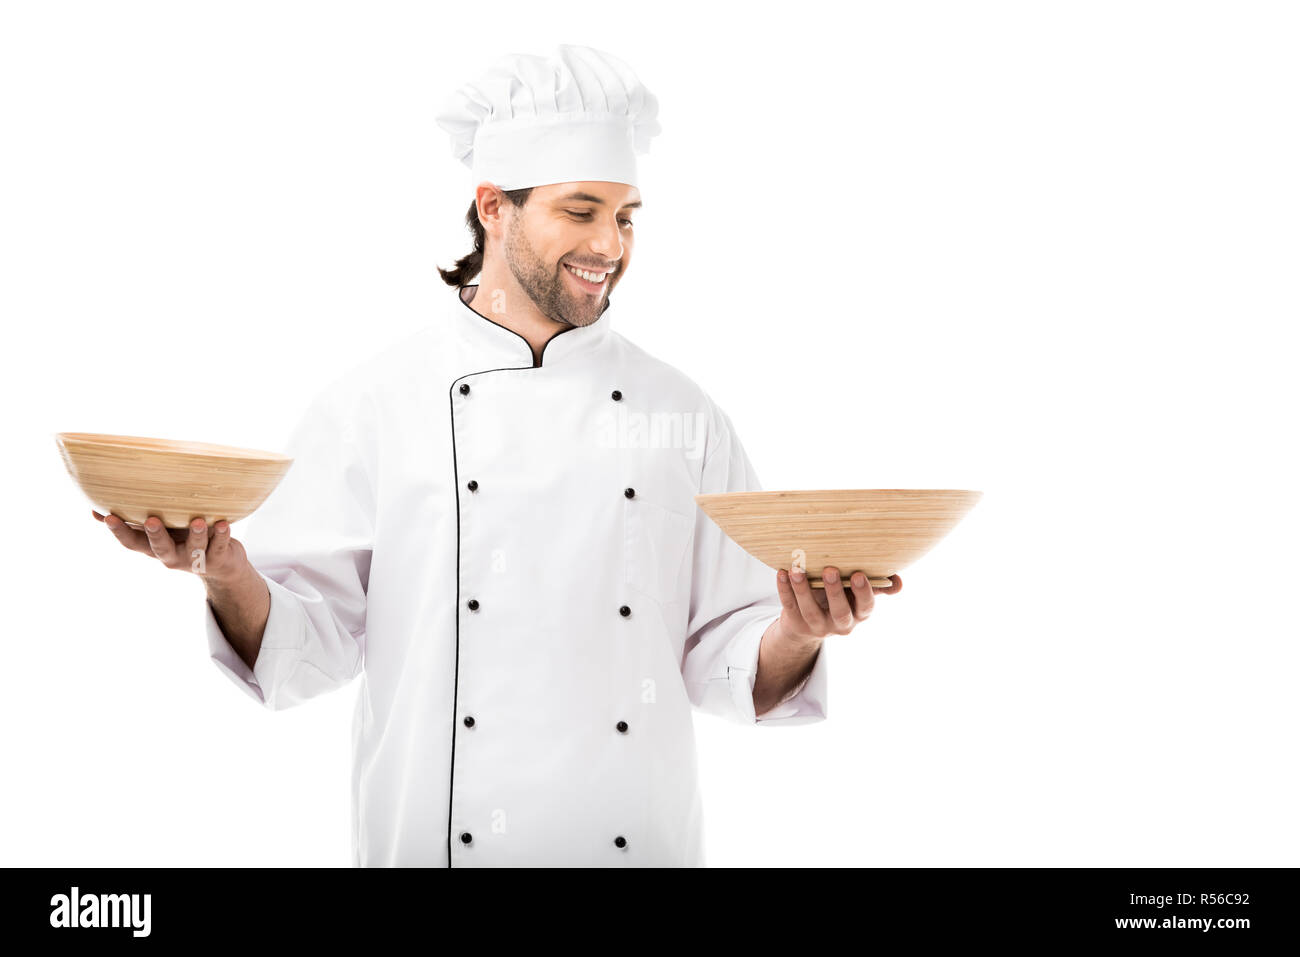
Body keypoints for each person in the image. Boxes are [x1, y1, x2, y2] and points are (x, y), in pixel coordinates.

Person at [94, 43, 901, 867]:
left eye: (626, 217)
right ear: (493, 207)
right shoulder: (376, 403)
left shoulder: (681, 414)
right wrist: (226, 572)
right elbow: (310, 648)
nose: (611, 246)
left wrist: (799, 632)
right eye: (580, 211)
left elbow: (726, 653)